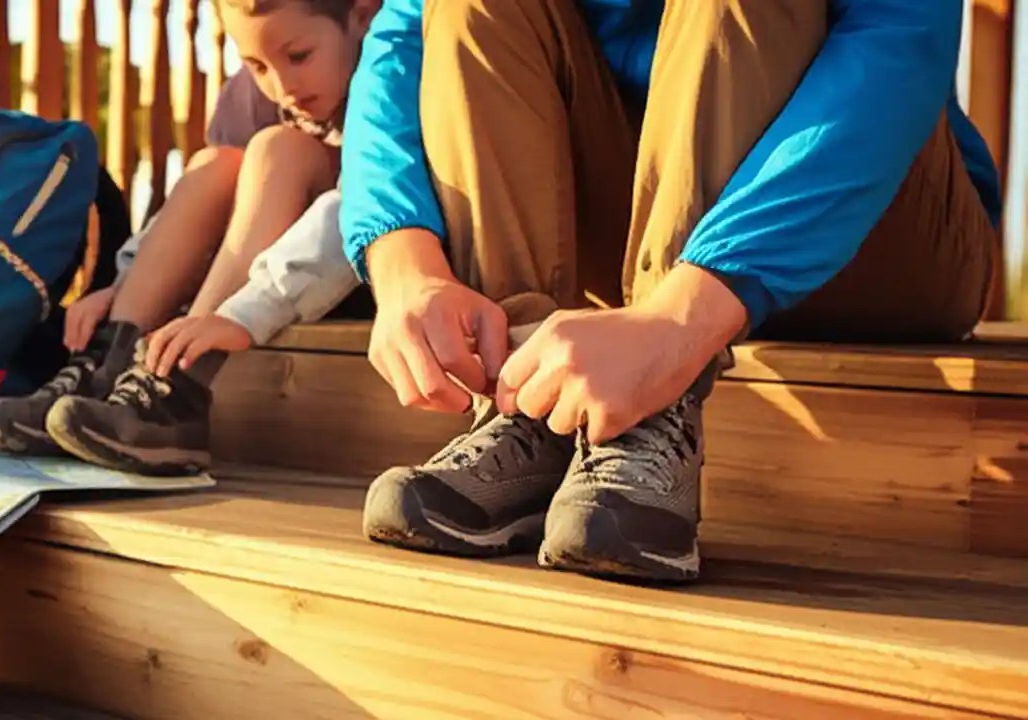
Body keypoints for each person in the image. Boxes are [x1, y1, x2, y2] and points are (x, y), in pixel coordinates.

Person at [340, 0, 999, 582]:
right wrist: (403, 261)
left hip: (883, 234)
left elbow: (899, 39)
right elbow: (406, 35)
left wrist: (683, 315)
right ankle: (533, 402)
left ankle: (651, 407)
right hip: (648, 222)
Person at [0, 0, 377, 475]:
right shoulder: (255, 95)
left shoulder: (389, 75)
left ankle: (178, 386)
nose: (281, 86)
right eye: (256, 65)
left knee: (279, 148)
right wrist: (124, 286)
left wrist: (232, 315)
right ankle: (108, 368)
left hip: (345, 268)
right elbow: (205, 207)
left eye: (298, 57)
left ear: (363, 15)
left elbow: (356, 208)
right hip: (258, 279)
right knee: (215, 164)